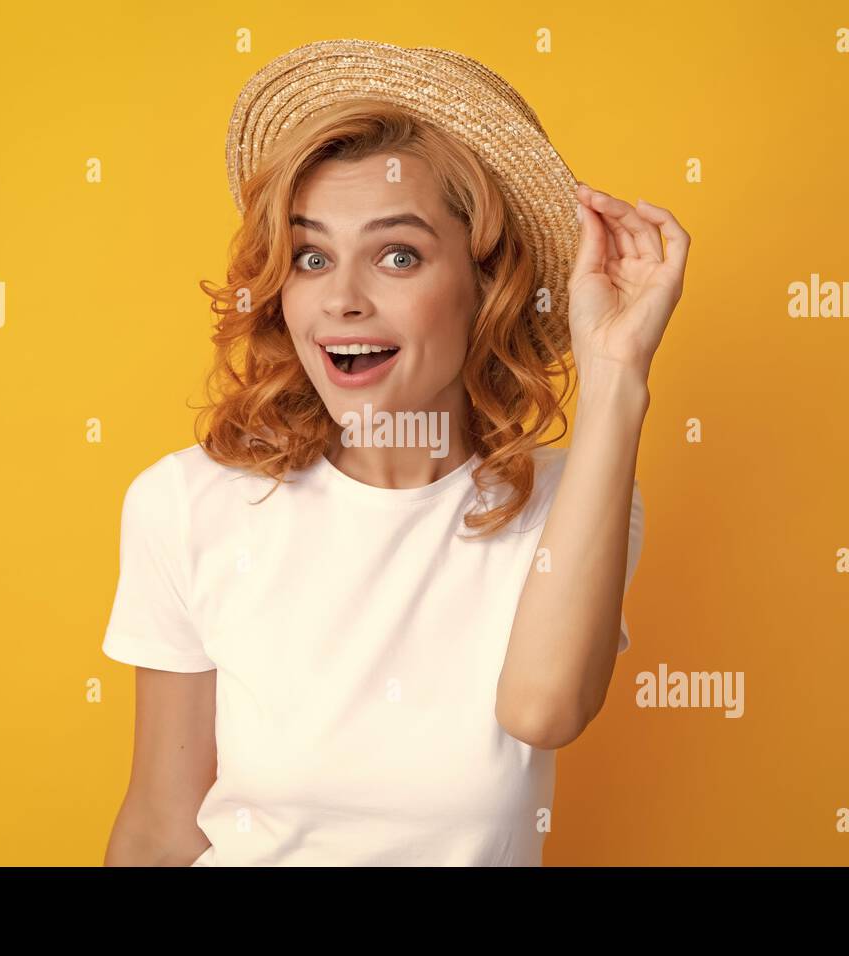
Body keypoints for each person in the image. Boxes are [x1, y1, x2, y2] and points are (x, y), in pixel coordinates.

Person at [101, 39, 688, 867]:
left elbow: (545, 711)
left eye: (397, 255)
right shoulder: (187, 504)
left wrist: (618, 370)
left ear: (489, 286)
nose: (341, 298)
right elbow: (161, 828)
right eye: (312, 257)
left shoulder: (574, 502)